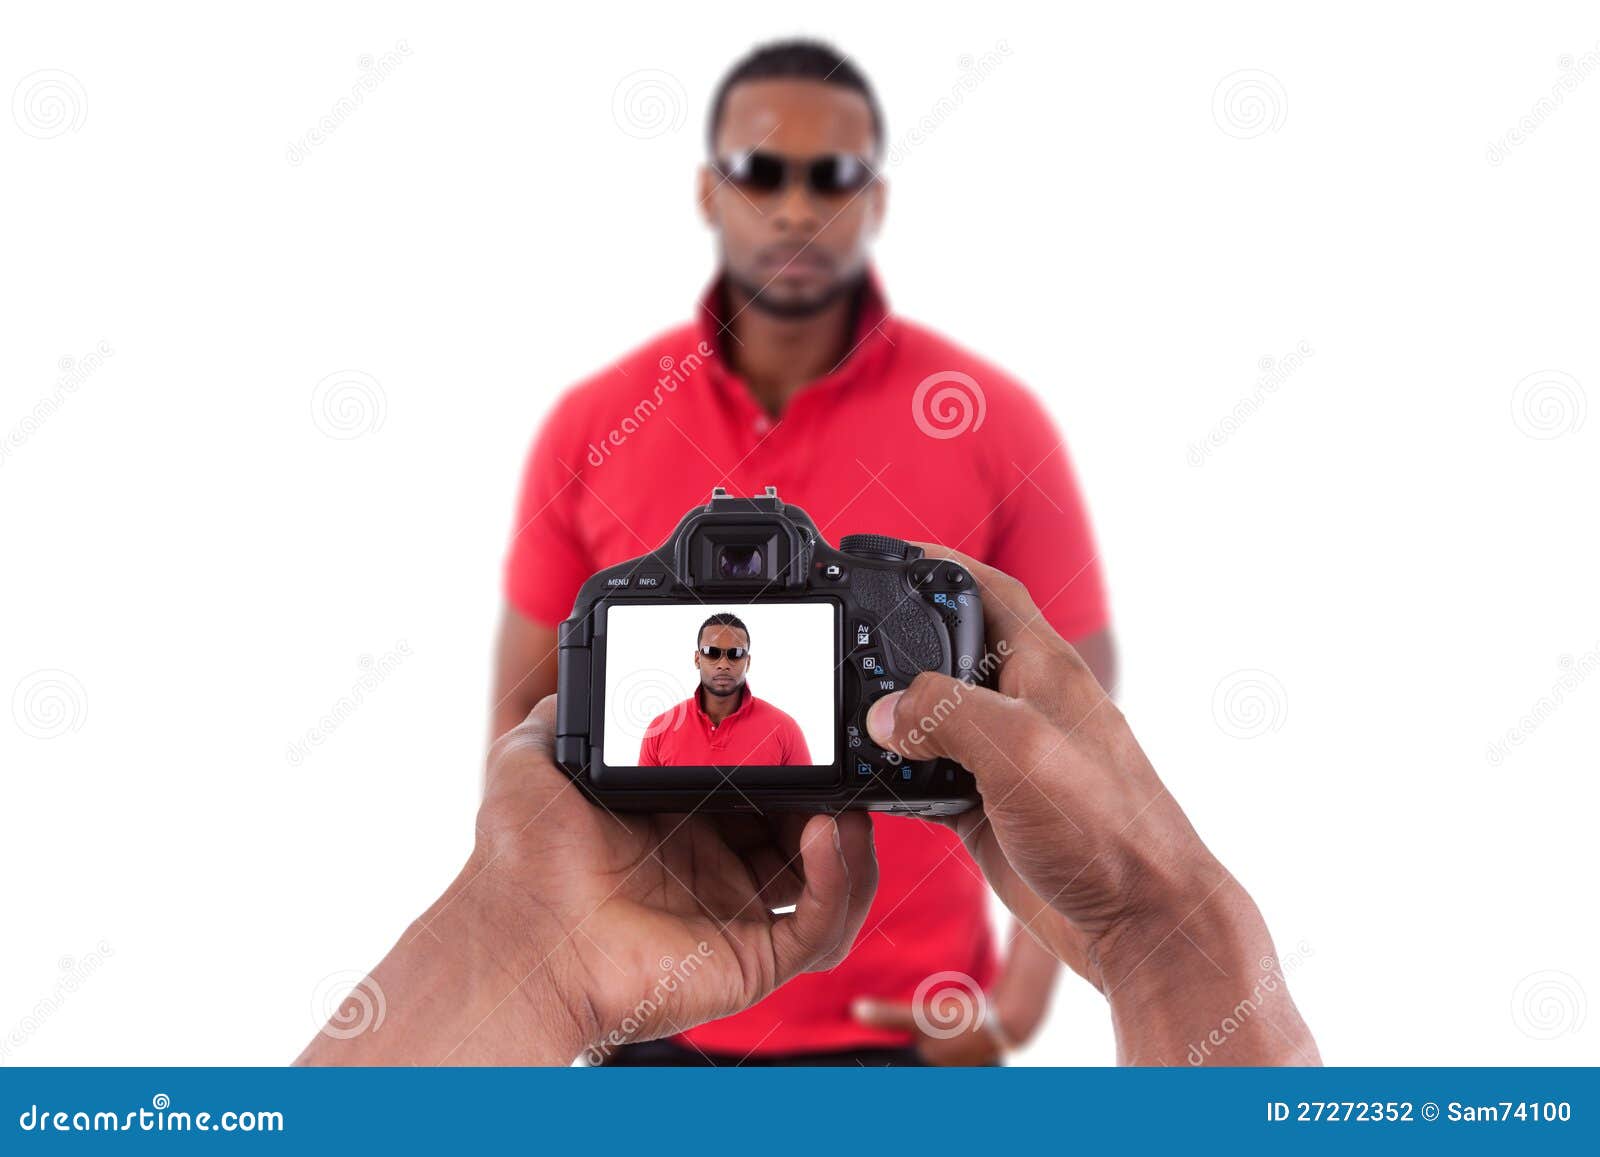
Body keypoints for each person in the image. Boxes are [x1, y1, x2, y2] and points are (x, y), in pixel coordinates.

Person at [493, 38, 1114, 1065]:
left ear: (872, 197)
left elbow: (1073, 701)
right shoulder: (591, 425)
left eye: (830, 176)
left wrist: (1026, 989)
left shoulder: (992, 423)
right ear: (706, 187)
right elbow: (525, 718)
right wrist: (555, 986)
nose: (794, 207)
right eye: (760, 171)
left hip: (913, 1025)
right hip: (648, 1019)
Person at [299, 547, 1318, 1067]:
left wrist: (1144, 933)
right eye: (714, 644)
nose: (728, 659)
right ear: (694, 650)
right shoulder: (653, 734)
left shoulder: (789, 727)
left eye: (742, 646)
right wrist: (531, 948)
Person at [637, 613, 811, 767]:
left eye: (735, 654)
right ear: (697, 659)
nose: (723, 664)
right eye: (711, 652)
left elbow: (806, 802)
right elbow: (644, 803)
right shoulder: (661, 728)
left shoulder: (785, 729)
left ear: (747, 662)